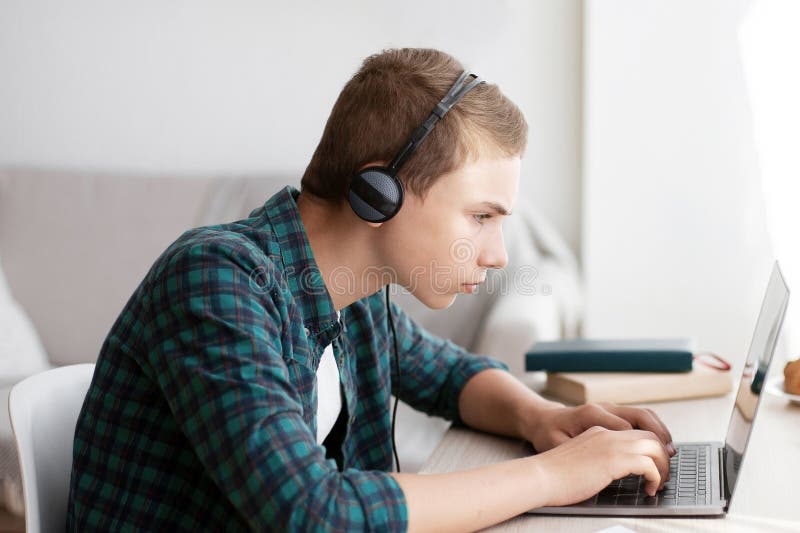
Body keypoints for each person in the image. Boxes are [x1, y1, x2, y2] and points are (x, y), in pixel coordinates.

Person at [67, 48, 675, 532]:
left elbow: (447, 376)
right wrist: (554, 477)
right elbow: (313, 513)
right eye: (481, 217)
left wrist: (544, 418)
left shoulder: (351, 292)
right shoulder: (215, 281)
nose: (497, 256)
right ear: (377, 193)